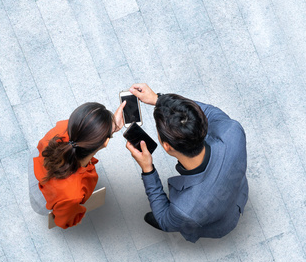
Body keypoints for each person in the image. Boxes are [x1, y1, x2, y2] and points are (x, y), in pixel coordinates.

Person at [124, 83, 248, 242]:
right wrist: (159, 100)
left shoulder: (184, 209)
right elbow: (208, 112)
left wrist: (147, 169)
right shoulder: (233, 132)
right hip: (238, 194)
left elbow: (164, 219)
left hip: (217, 223)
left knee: (167, 218)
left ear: (167, 147)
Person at [31, 102, 124, 229]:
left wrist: (111, 125)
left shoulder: (65, 127)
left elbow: (87, 130)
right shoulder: (73, 194)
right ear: (106, 142)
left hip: (38, 166)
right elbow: (64, 221)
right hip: (42, 199)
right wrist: (75, 218)